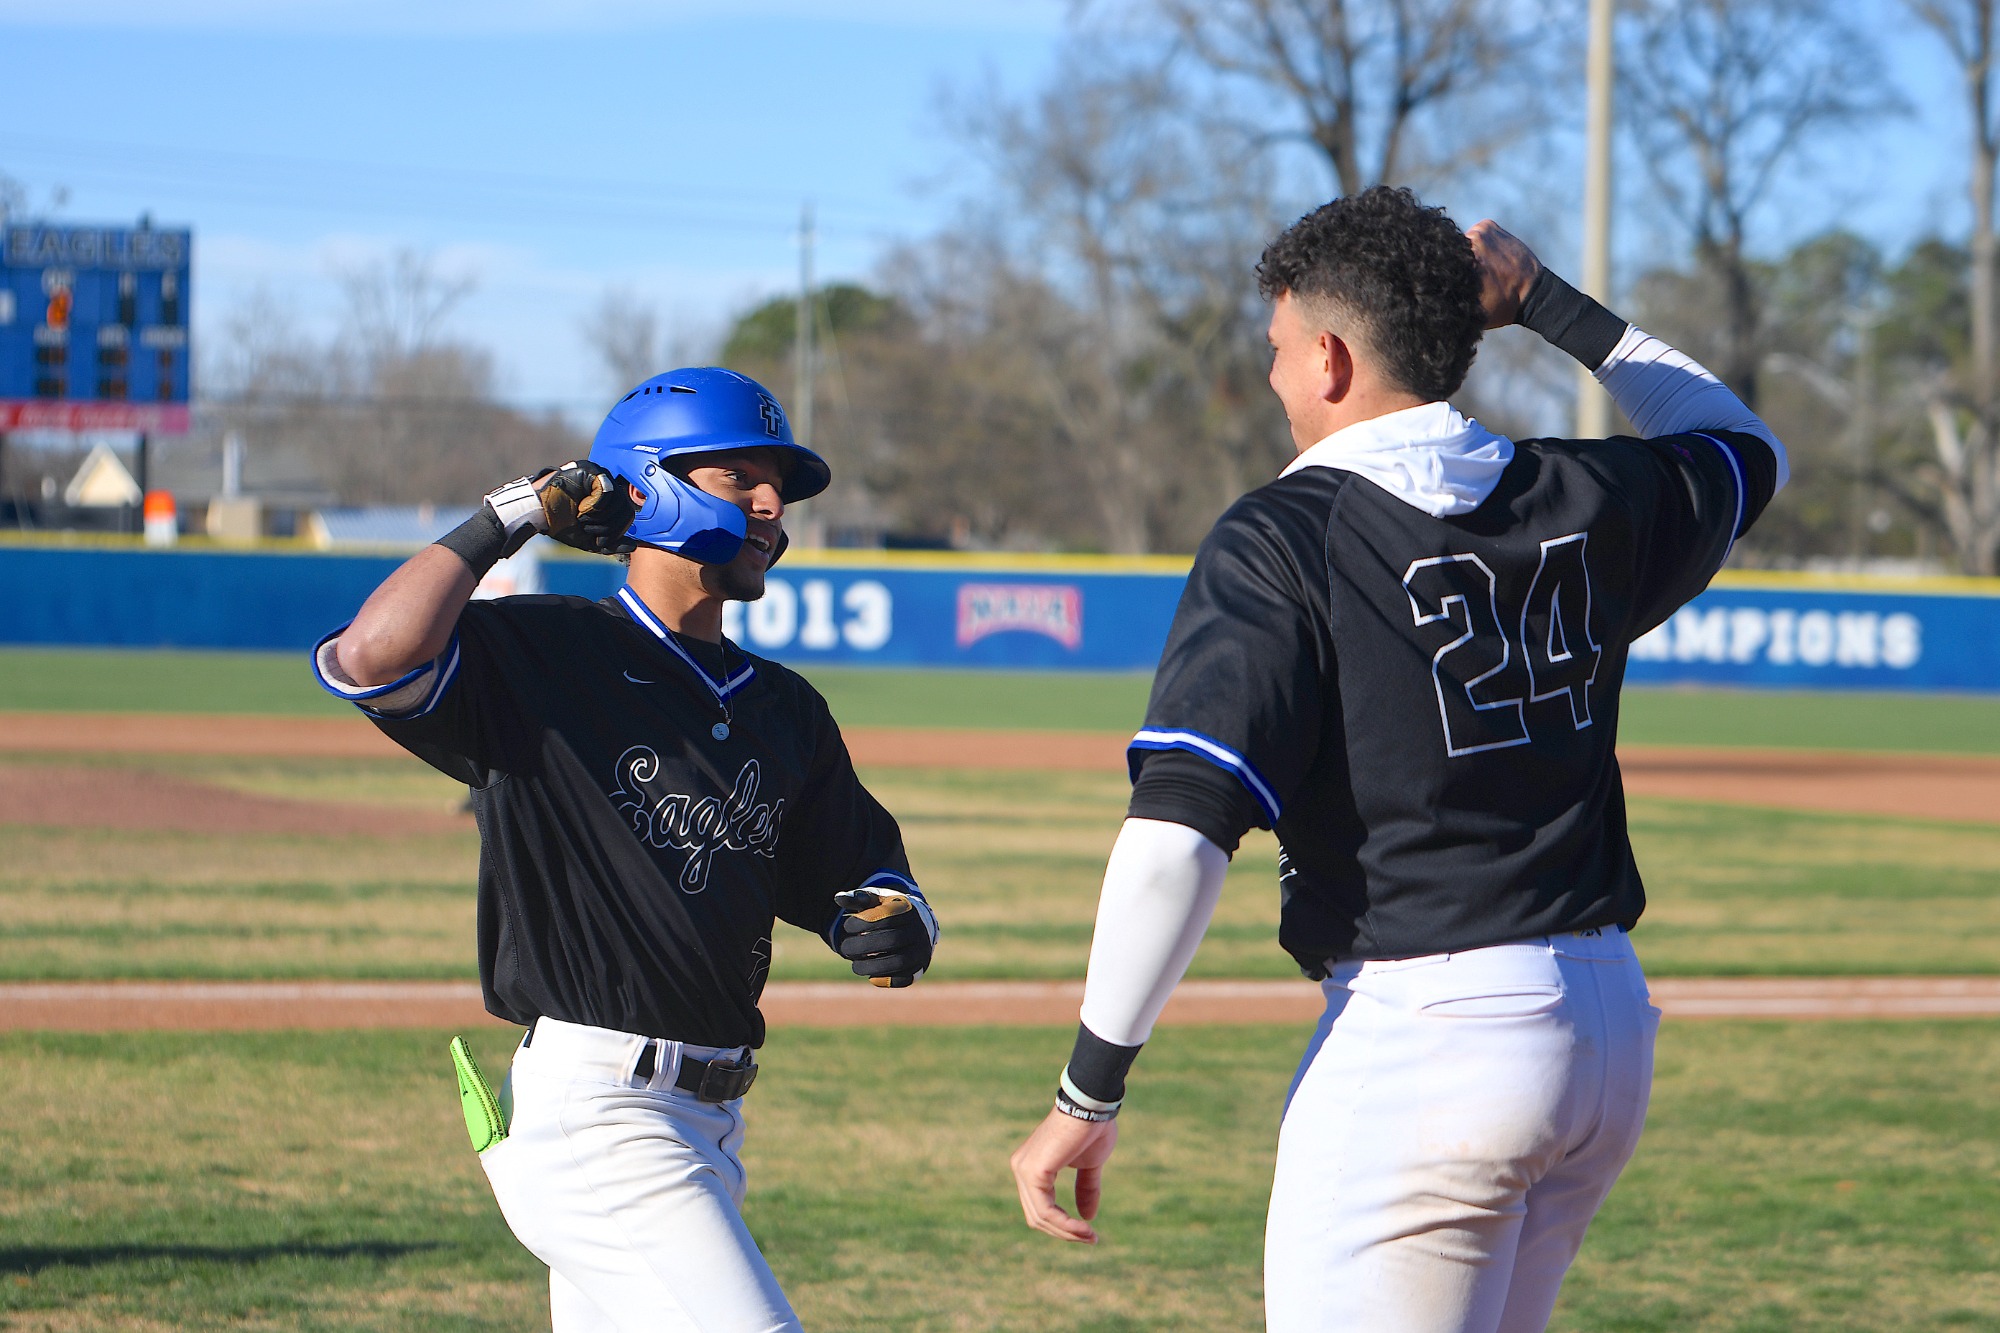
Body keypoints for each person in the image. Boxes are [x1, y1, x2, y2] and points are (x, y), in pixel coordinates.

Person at [1008, 187, 1787, 1331]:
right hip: (1601, 1033)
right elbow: (1741, 446)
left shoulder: (1287, 533)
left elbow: (1179, 830)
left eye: (1276, 350)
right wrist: (1546, 304)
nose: (1273, 378)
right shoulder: (1578, 493)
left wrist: (1089, 1085)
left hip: (1429, 1035)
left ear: (1327, 357)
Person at [311, 366, 939, 1332]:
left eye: (781, 486)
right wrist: (508, 518)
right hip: (601, 1112)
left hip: (711, 1124)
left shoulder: (786, 711)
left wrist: (896, 914)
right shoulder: (546, 656)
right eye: (743, 478)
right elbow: (371, 660)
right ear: (654, 483)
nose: (776, 505)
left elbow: (856, 867)